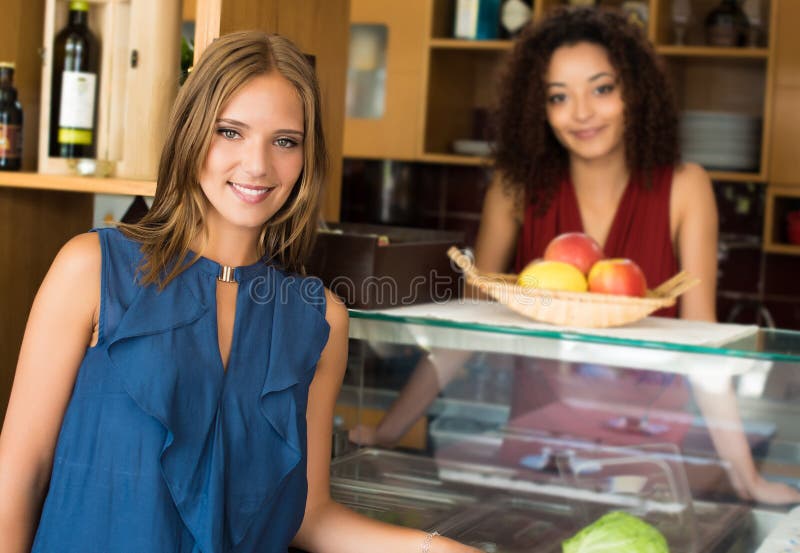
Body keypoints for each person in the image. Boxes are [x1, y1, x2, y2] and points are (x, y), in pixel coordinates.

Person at [0, 32, 481, 553]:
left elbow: (308, 516)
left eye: (284, 141)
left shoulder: (320, 318)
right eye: (230, 132)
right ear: (191, 134)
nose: (257, 165)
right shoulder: (91, 268)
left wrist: (434, 548)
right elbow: (19, 475)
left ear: (306, 156)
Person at [350, 7, 800, 505]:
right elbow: (464, 328)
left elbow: (706, 345)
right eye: (558, 97)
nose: (582, 112)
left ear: (636, 91)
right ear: (537, 110)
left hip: (648, 461)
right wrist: (389, 431)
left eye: (601, 88)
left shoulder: (685, 188)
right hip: (536, 457)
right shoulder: (514, 189)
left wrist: (746, 480)